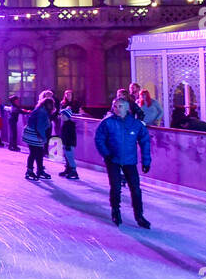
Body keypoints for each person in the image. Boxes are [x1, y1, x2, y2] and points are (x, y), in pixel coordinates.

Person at [94, 97, 153, 228]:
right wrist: (107, 154)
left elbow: (145, 142)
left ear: (127, 108)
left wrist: (146, 161)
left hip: (129, 161)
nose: (117, 109)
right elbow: (99, 139)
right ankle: (116, 211)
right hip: (113, 160)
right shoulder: (107, 123)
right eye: (115, 106)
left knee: (136, 189)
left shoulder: (136, 124)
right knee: (115, 188)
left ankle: (139, 216)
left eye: (120, 106)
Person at [23, 93, 56, 181]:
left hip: (31, 132)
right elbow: (40, 127)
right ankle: (32, 171)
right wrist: (43, 138)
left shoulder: (40, 109)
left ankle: (38, 170)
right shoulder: (43, 112)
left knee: (37, 153)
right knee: (35, 152)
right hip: (34, 134)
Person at [58, 98, 81, 179]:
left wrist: (68, 144)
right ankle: (68, 169)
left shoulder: (70, 125)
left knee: (70, 157)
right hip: (66, 144)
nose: (61, 116)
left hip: (69, 144)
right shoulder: (65, 123)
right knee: (67, 157)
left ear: (67, 116)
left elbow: (70, 136)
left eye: (63, 115)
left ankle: (74, 171)